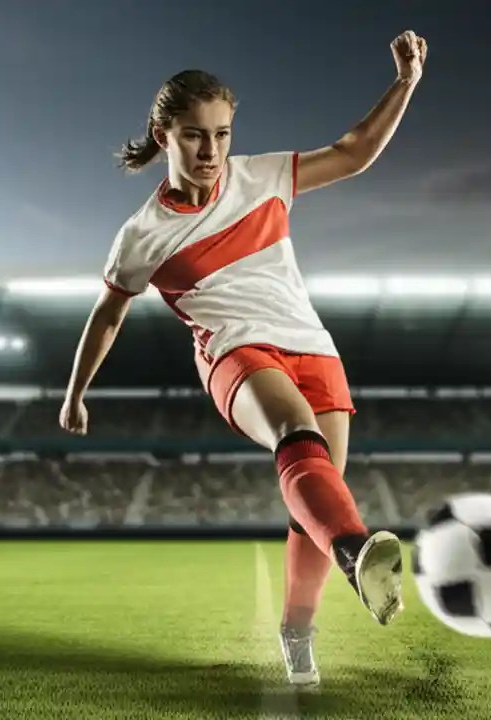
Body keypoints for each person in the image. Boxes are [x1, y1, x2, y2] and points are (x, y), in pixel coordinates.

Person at [60, 29, 428, 687]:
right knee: (297, 436)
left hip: (313, 347)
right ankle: (356, 549)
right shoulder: (142, 235)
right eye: (197, 134)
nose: (211, 150)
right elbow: (108, 314)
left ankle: (297, 633)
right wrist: (75, 393)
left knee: (312, 497)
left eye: (223, 133)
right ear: (163, 132)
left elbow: (353, 154)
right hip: (236, 352)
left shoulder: (263, 177)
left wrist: (405, 83)